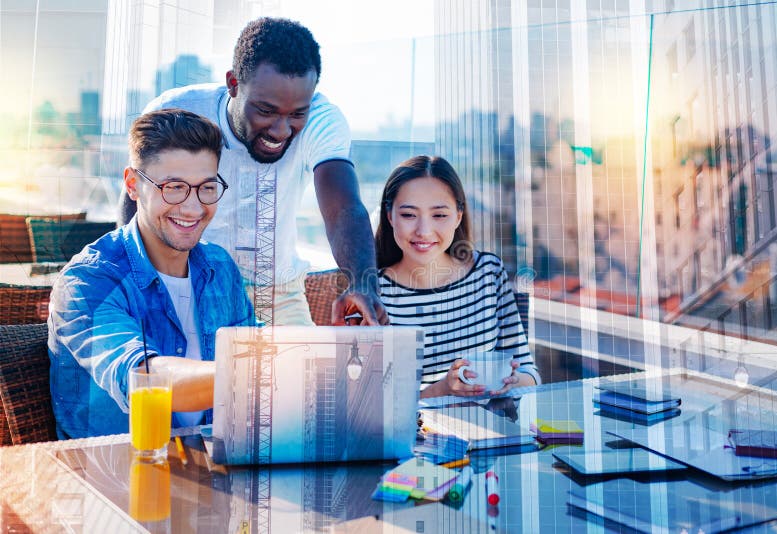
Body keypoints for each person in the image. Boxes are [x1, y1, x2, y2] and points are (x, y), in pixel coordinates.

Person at [119, 16, 387, 327]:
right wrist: (140, 280)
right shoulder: (178, 110)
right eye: (266, 110)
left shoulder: (323, 119)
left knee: (304, 375)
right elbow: (137, 196)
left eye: (297, 113)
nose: (281, 130)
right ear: (233, 84)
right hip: (185, 282)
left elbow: (344, 209)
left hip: (277, 295)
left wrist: (362, 285)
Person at [49, 109, 256, 439]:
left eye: (206, 187)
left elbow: (253, 351)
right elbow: (144, 380)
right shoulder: (89, 281)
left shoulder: (221, 269)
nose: (192, 207)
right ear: (133, 185)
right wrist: (264, 373)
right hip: (113, 479)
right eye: (173, 187)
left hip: (209, 471)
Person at [375, 156, 541, 399]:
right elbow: (369, 404)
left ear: (458, 216)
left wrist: (510, 382)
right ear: (390, 216)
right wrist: (442, 390)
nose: (424, 231)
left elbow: (530, 374)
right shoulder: (373, 293)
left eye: (439, 215)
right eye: (409, 215)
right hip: (415, 435)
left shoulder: (488, 272)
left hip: (490, 430)